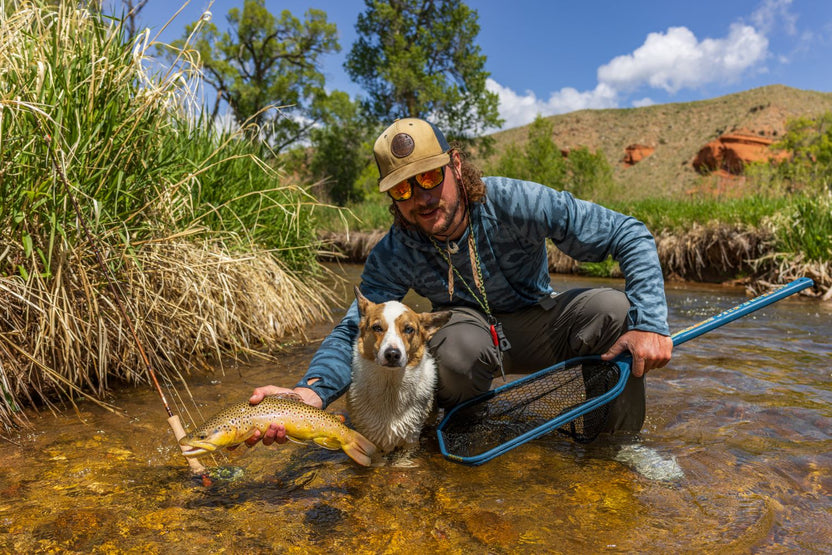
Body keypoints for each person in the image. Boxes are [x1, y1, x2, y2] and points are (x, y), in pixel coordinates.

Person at [247, 117, 673, 447]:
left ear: (455, 165)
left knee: (615, 313)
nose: (421, 198)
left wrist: (651, 323)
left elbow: (628, 233)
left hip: (541, 325)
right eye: (403, 190)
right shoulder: (396, 250)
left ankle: (617, 449)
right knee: (452, 353)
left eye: (430, 178)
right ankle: (463, 429)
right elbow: (354, 331)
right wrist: (310, 393)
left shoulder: (515, 201)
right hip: (469, 342)